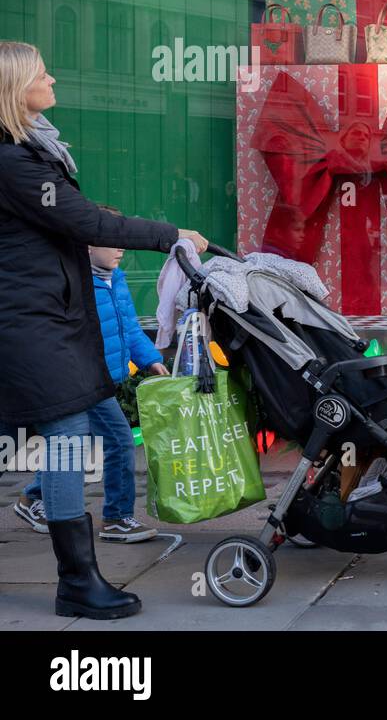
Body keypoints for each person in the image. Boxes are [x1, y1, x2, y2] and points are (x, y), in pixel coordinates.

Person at [0, 41, 208, 620]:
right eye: (43, 73)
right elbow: (87, 221)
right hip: (30, 325)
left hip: (41, 320)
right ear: (17, 89)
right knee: (66, 437)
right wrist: (170, 234)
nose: (54, 77)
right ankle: (78, 582)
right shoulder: (15, 163)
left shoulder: (30, 154)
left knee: (56, 436)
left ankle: (79, 579)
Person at [14, 208, 170, 543]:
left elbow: (129, 327)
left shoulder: (117, 280)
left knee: (74, 443)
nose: (121, 248)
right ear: (86, 246)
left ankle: (34, 496)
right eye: (111, 241)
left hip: (104, 379)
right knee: (117, 440)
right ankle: (116, 517)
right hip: (82, 380)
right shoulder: (75, 282)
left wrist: (151, 360)